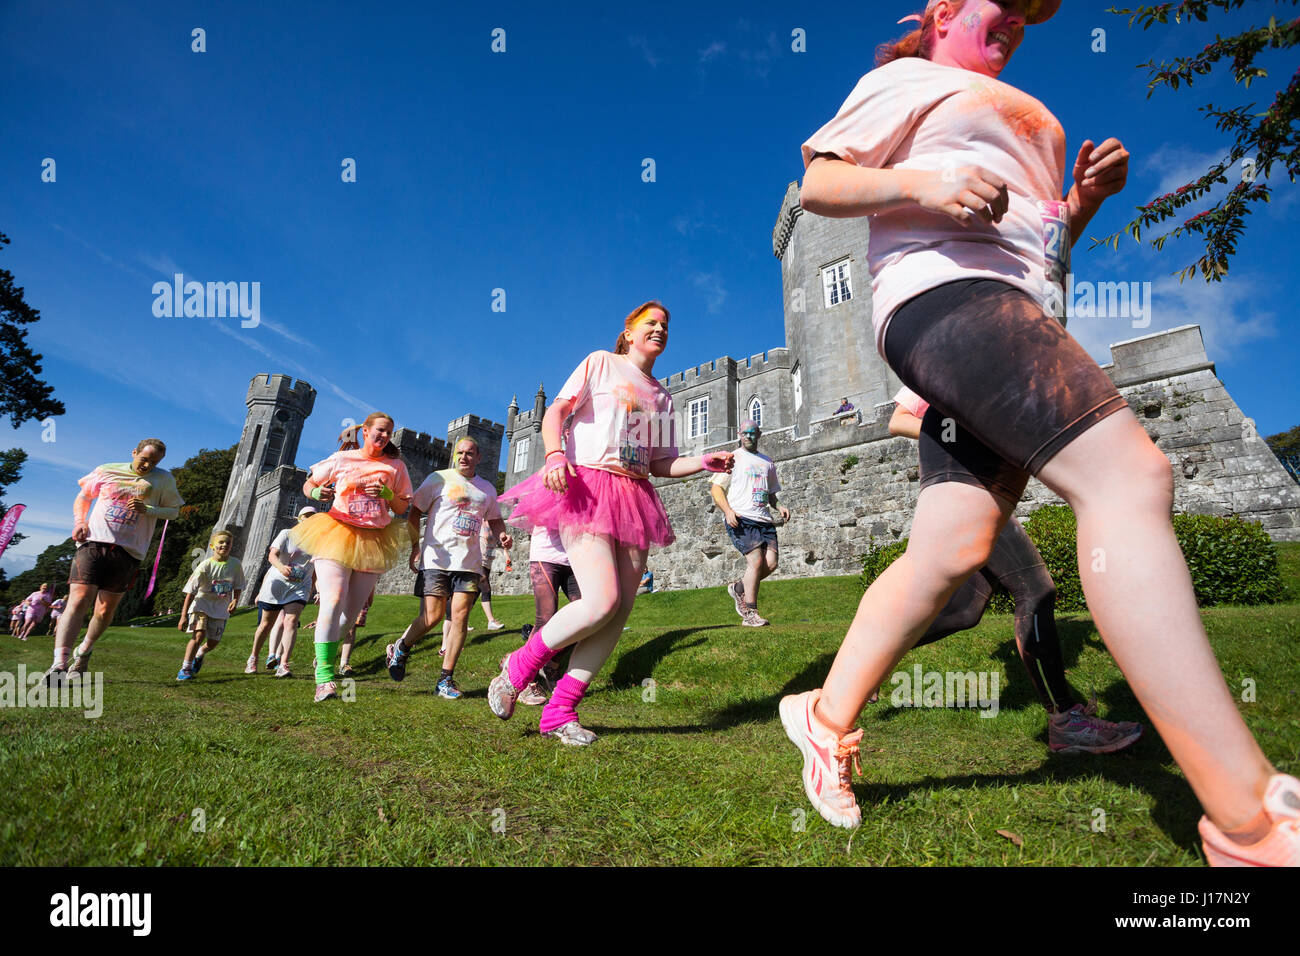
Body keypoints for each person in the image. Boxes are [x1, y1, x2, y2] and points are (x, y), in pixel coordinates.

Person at [778, 0, 1300, 866]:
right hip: (945, 300)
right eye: (1004, 3)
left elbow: (1041, 251)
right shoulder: (906, 79)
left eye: (1032, 13)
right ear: (944, 11)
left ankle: (823, 718)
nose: (1019, 18)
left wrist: (1083, 203)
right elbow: (823, 184)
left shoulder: (1039, 123)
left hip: (1014, 307)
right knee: (1129, 479)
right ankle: (1247, 820)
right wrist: (921, 182)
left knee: (950, 549)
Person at [488, 301, 733, 745]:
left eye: (665, 326)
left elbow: (660, 463)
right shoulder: (601, 363)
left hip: (635, 495)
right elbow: (556, 413)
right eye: (651, 323)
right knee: (600, 601)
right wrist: (555, 454)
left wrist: (702, 461)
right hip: (586, 485)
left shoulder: (662, 397)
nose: (659, 329)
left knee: (617, 613)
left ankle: (560, 711)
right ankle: (518, 666)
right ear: (630, 330)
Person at [885, 386, 1142, 753]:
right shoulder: (939, 355)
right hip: (964, 487)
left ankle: (871, 660)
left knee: (964, 611)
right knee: (1035, 590)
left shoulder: (988, 357)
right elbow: (898, 420)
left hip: (988, 485)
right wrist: (962, 432)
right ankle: (1066, 718)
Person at [292, 413, 412, 702]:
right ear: (366, 431)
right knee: (333, 599)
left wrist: (386, 492)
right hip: (337, 532)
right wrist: (317, 490)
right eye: (379, 431)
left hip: (374, 539)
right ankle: (324, 677)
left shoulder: (395, 467)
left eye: (388, 433)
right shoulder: (342, 459)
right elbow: (308, 485)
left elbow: (403, 505)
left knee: (349, 618)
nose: (384, 436)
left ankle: (326, 652)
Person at [385, 437, 511, 699]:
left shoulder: (486, 489)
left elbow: (496, 520)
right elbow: (413, 510)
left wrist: (502, 536)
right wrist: (415, 546)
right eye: (460, 452)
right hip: (436, 559)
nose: (464, 457)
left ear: (478, 458)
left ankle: (445, 680)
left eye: (469, 453)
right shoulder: (437, 479)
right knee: (431, 617)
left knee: (460, 619)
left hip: (469, 563)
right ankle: (402, 646)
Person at [49, 438, 183, 678]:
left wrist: (149, 510)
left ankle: (84, 653)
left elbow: (174, 512)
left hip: (128, 551)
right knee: (78, 600)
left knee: (103, 611)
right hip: (93, 542)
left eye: (153, 462)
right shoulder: (107, 469)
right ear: (134, 452)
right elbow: (84, 497)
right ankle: (59, 664)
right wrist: (80, 522)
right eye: (144, 459)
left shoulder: (163, 479)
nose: (147, 466)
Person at [711, 420, 790, 627]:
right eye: (744, 433)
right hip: (741, 518)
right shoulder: (732, 458)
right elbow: (716, 489)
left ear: (759, 434)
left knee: (771, 564)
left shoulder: (767, 463)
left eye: (752, 433)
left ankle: (739, 587)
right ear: (739, 434)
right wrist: (727, 511)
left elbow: (771, 493)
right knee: (755, 562)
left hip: (764, 519)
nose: (748, 436)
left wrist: (779, 506)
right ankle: (750, 612)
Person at [245, 506, 317, 678]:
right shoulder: (286, 534)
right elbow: (272, 556)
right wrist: (281, 567)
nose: (310, 520)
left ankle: (283, 664)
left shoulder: (319, 542)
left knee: (291, 621)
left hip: (299, 587)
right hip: (278, 584)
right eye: (306, 516)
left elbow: (317, 568)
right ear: (299, 519)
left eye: (314, 517)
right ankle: (253, 657)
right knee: (266, 625)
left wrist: (313, 588)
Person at [517, 525, 582, 705]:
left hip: (576, 557)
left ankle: (551, 666)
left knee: (588, 617)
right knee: (544, 620)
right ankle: (525, 680)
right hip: (546, 555)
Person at [176, 530, 245, 680]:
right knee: (199, 635)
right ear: (213, 546)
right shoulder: (205, 566)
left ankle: (199, 654)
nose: (224, 545)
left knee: (213, 642)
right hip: (202, 604)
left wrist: (235, 600)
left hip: (220, 608)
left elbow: (238, 585)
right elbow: (190, 592)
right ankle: (185, 668)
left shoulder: (235, 565)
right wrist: (183, 616)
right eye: (221, 542)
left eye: (228, 542)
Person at [478, 524, 507, 631]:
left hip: (488, 562)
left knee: (475, 592)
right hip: (479, 560)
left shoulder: (494, 524)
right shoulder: (480, 523)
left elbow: (497, 542)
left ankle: (461, 620)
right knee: (486, 588)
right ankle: (491, 621)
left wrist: (503, 543)